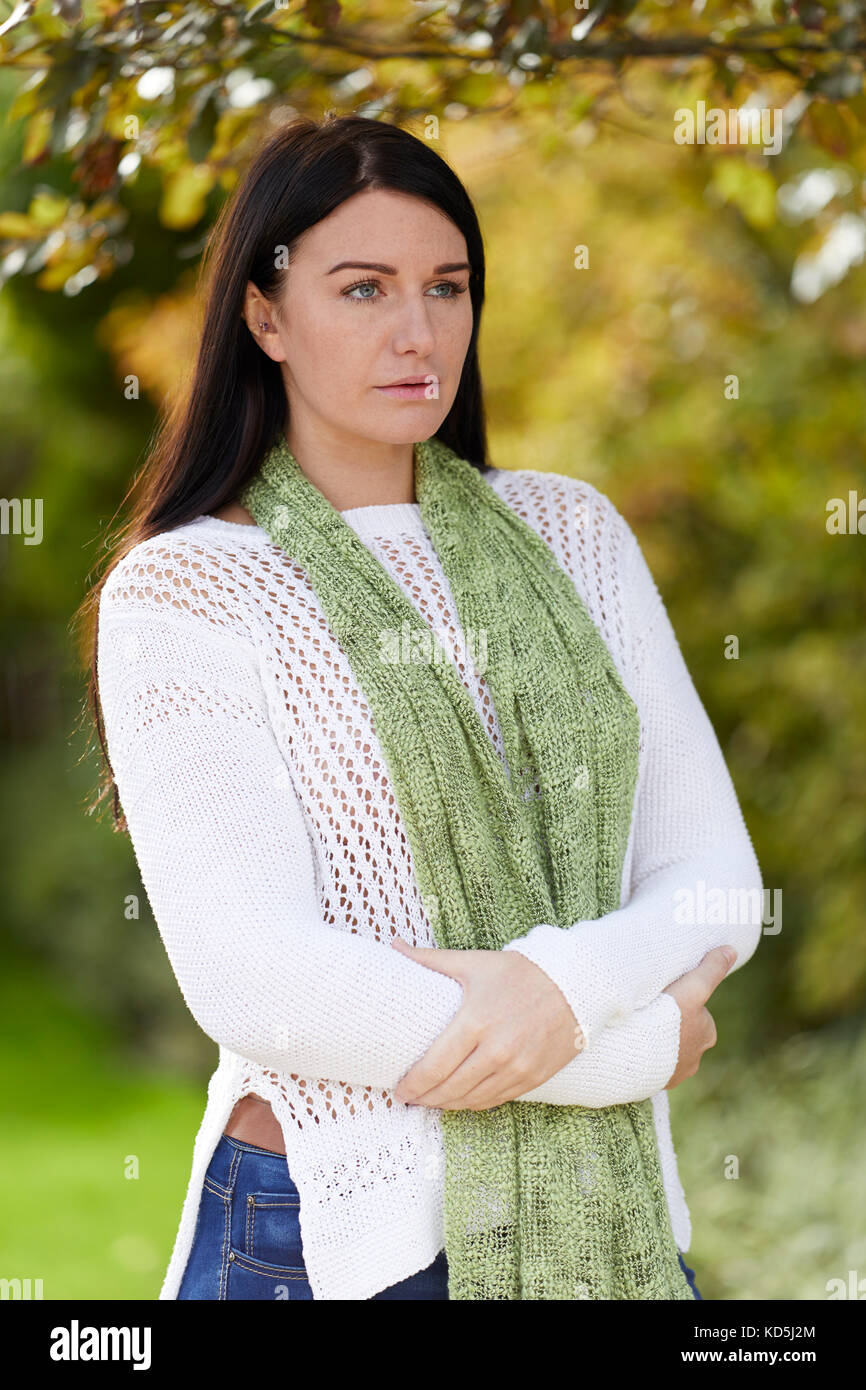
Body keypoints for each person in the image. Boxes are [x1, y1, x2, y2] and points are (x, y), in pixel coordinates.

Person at [84, 114, 762, 1300]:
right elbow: (260, 978)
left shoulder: (571, 534)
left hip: (604, 1224)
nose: (417, 331)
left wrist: (550, 985)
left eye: (446, 287)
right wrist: (636, 1044)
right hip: (340, 1238)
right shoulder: (188, 587)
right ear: (265, 315)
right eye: (362, 289)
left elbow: (708, 880)